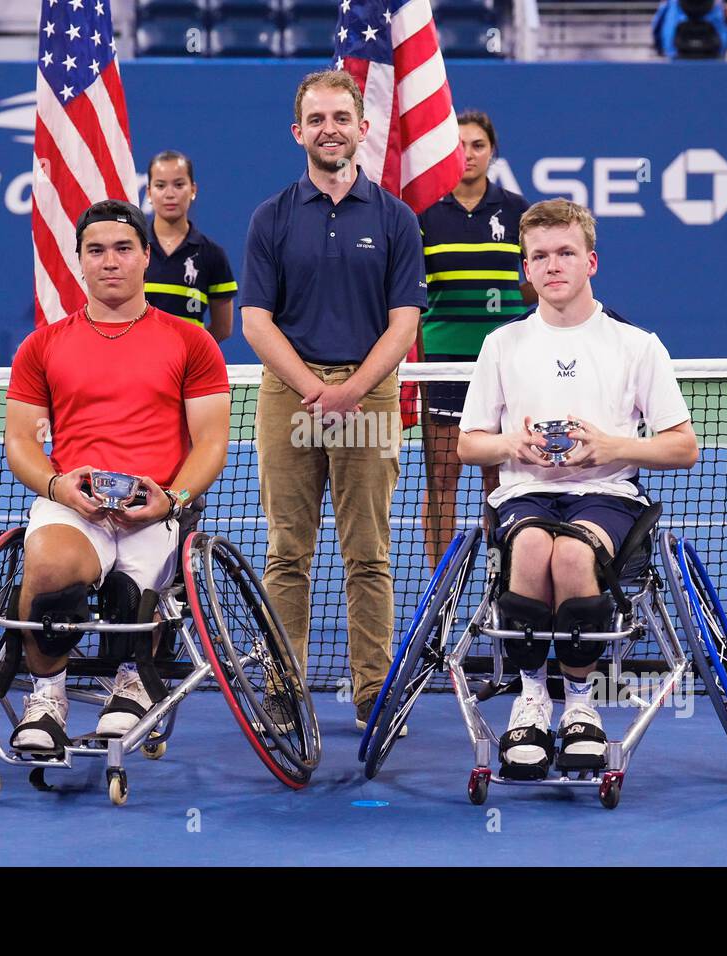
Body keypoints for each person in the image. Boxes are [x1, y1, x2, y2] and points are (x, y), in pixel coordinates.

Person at [458, 199, 698, 778]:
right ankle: (532, 699)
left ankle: (583, 705)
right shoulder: (502, 344)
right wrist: (511, 445)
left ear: (591, 261)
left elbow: (684, 446)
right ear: (526, 268)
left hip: (607, 495)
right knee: (535, 546)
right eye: (538, 256)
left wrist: (614, 447)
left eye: (565, 253)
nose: (552, 265)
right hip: (525, 494)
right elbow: (469, 444)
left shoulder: (636, 345)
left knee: (570, 552)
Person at [4, 199, 230, 751]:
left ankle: (133, 684)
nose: (111, 261)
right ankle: (48, 696)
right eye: (97, 250)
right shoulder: (41, 346)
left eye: (124, 248)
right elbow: (21, 442)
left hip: (154, 506)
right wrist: (58, 487)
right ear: (79, 261)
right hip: (73, 503)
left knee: (136, 599)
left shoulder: (191, 341)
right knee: (52, 571)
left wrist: (172, 498)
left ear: (146, 257)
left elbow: (212, 442)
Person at [241, 70, 426, 732]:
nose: (329, 129)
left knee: (368, 554)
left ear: (362, 127)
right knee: (287, 552)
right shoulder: (272, 217)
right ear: (299, 133)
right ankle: (284, 688)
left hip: (371, 396)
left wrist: (350, 390)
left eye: (340, 118)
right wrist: (315, 389)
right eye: (316, 119)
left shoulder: (397, 219)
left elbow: (404, 323)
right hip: (288, 396)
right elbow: (255, 322)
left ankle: (373, 690)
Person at [418, 109, 533, 570]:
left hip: (504, 361)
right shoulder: (423, 213)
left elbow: (531, 281)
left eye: (477, 145)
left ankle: (502, 579)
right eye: (458, 146)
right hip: (444, 363)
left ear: (492, 151)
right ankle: (440, 591)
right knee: (442, 476)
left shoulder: (517, 209)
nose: (467, 155)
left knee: (499, 477)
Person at [143, 150, 238, 344]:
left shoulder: (212, 254)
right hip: (137, 367)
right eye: (160, 185)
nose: (170, 194)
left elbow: (223, 328)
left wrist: (192, 354)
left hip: (188, 371)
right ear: (149, 192)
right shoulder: (132, 250)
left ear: (193, 190)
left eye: (179, 185)